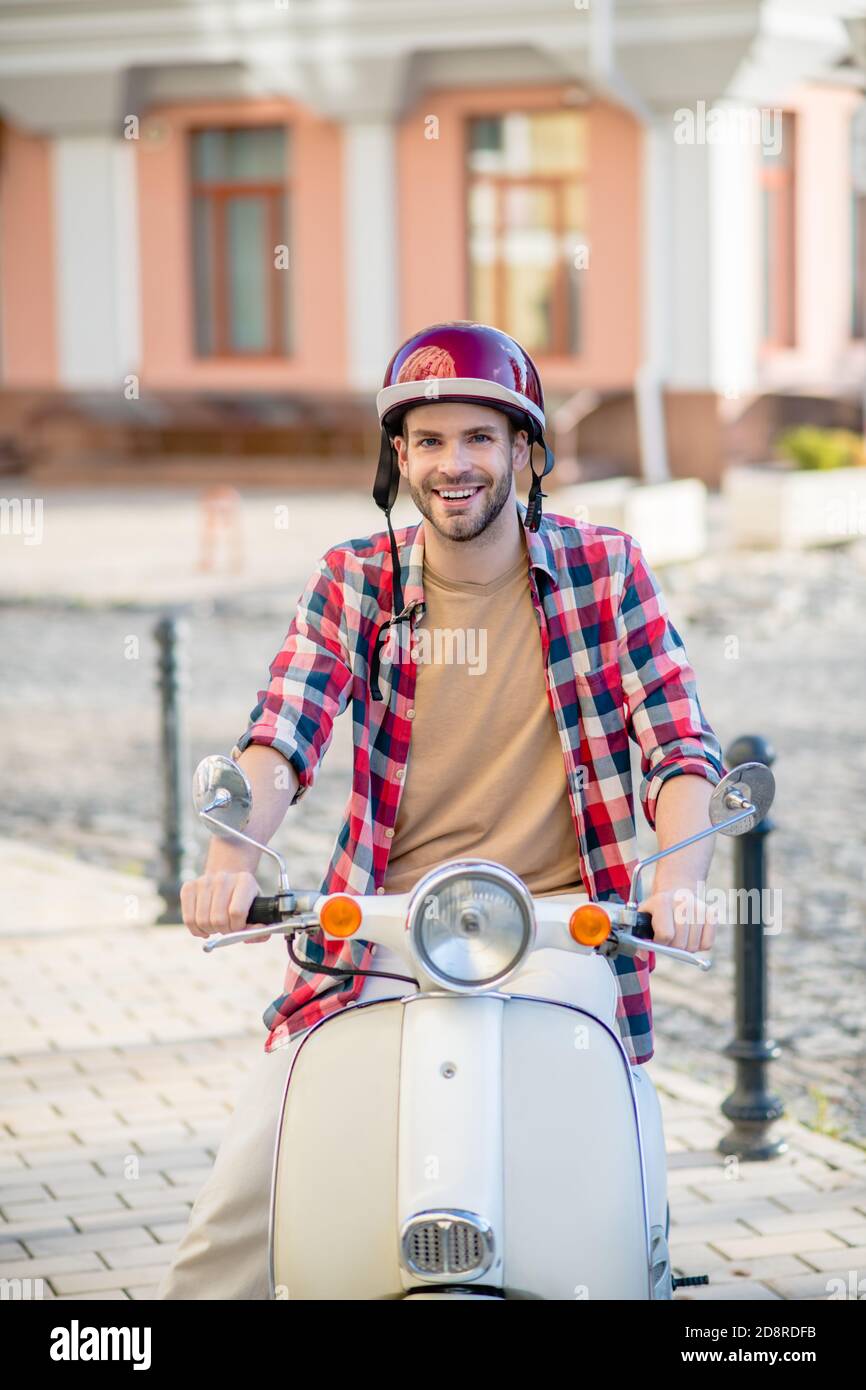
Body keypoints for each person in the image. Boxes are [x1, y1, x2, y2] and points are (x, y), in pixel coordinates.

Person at [157, 320, 724, 1300]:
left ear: (521, 451)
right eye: (425, 440)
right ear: (399, 457)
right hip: (383, 923)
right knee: (244, 1199)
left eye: (475, 437)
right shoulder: (355, 580)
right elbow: (282, 736)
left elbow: (677, 747)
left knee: (618, 1170)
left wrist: (676, 882)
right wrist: (231, 862)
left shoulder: (605, 570)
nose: (450, 464)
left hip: (555, 924)